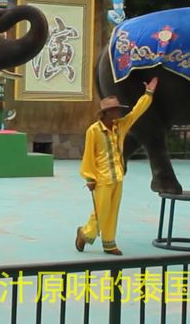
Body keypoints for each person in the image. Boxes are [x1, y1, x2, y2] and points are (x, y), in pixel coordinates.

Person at [75, 77, 158, 255]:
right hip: (102, 178)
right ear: (106, 113)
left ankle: (109, 243)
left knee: (113, 211)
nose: (118, 114)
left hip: (118, 175)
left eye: (118, 110)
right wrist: (89, 177)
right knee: (101, 211)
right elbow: (89, 154)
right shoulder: (94, 131)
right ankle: (84, 233)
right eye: (114, 111)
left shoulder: (120, 126)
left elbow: (136, 112)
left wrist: (148, 94)